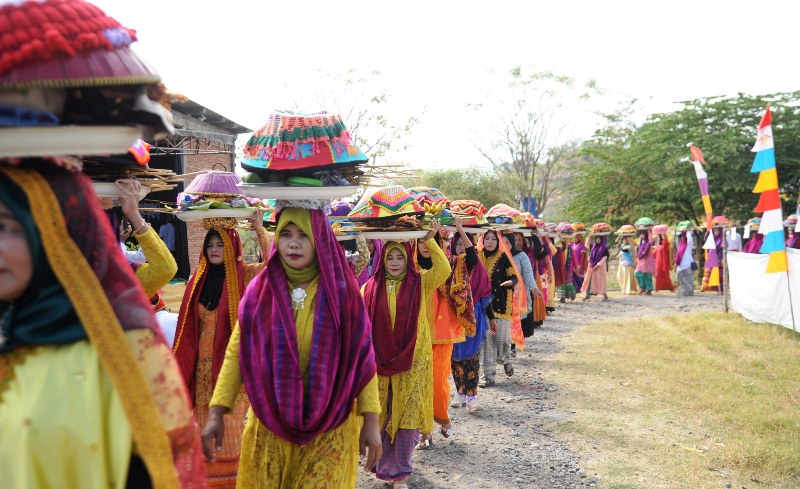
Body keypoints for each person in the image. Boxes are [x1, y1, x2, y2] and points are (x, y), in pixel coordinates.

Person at [0, 166, 205, 488]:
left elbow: (165, 267)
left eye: (9, 228)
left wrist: (134, 215)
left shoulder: (117, 294)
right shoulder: (12, 318)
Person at [201, 206, 381, 488]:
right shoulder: (260, 292)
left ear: (319, 237)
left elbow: (362, 359)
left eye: (303, 235)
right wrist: (217, 411)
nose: (293, 243)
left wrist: (370, 420)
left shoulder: (343, 293)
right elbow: (237, 351)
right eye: (285, 234)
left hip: (331, 429)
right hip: (269, 425)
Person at [173, 212, 270, 488]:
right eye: (210, 245)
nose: (214, 250)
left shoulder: (246, 276)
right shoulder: (197, 281)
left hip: (232, 372)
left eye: (220, 244)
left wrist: (259, 229)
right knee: (203, 434)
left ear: (232, 246)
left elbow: (274, 265)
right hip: (201, 373)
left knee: (231, 435)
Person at [363, 221, 450, 488]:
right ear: (382, 259)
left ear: (407, 258)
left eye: (400, 257)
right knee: (383, 413)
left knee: (407, 415)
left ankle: (399, 473)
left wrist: (429, 239)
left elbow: (443, 269)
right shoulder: (370, 287)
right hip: (379, 363)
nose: (394, 262)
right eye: (390, 257)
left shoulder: (419, 282)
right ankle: (383, 466)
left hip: (412, 362)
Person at [416, 218, 472, 446]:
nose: (424, 246)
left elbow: (472, 259)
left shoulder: (449, 264)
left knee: (437, 379)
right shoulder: (409, 268)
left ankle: (442, 417)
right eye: (421, 242)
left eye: (429, 240)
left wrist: (458, 229)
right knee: (419, 381)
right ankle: (424, 431)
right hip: (416, 333)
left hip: (442, 333)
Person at [450, 228, 492, 413]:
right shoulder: (449, 264)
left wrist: (492, 319)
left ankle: (472, 397)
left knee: (472, 358)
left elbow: (485, 295)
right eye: (458, 243)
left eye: (464, 244)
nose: (461, 247)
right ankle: (459, 392)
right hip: (453, 317)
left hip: (474, 317)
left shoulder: (476, 265)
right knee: (455, 358)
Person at [479, 229, 518, 387]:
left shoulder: (503, 257)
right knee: (487, 341)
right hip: (483, 305)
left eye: (493, 239)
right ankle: (488, 376)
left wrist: (510, 282)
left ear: (498, 241)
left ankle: (505, 359)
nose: (490, 242)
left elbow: (514, 277)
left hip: (501, 303)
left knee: (502, 339)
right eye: (487, 238)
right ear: (483, 240)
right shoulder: (477, 256)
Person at [581, 235, 609, 301]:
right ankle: (587, 295)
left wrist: (598, 265)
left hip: (600, 267)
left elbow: (605, 257)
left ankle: (604, 294)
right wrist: (589, 237)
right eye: (596, 239)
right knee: (589, 280)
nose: (598, 240)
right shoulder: (593, 247)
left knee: (601, 281)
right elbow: (586, 246)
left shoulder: (604, 248)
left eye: (599, 239)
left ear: (602, 240)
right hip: (591, 266)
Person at [674, 230, 696, 296]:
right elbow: (678, 255)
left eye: (683, 236)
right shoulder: (681, 245)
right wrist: (676, 263)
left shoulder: (688, 245)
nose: (682, 238)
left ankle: (688, 292)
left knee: (688, 280)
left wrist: (688, 231)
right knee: (684, 281)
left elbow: (690, 240)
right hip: (682, 266)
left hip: (687, 265)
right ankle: (686, 292)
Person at [634, 229, 655, 295]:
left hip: (647, 261)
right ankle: (642, 287)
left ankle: (649, 290)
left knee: (647, 275)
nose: (641, 235)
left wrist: (649, 232)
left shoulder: (649, 242)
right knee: (637, 273)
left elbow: (651, 240)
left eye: (643, 234)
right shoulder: (641, 242)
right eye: (641, 234)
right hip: (641, 260)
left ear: (646, 235)